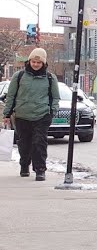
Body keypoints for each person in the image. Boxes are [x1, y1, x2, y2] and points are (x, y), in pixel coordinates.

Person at [2, 48, 59, 181]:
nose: (36, 64)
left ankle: (40, 170)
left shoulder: (50, 78)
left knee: (39, 142)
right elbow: (11, 96)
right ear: (29, 61)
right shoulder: (19, 76)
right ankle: (24, 165)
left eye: (39, 62)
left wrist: (52, 111)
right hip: (22, 115)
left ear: (43, 64)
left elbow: (55, 97)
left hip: (42, 115)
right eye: (34, 61)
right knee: (24, 143)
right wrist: (6, 114)